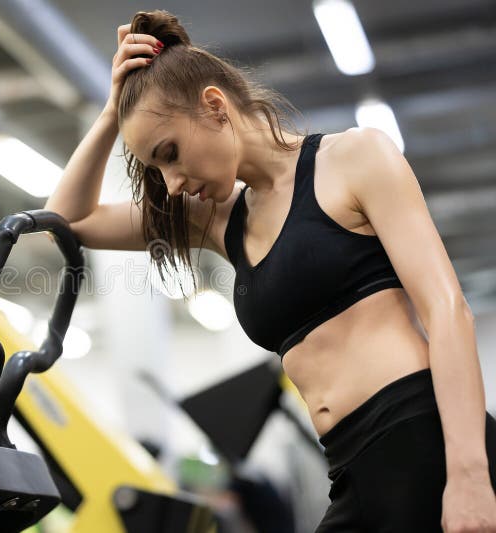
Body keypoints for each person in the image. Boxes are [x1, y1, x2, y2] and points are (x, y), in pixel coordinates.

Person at [43, 9, 496, 532]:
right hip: (349, 468)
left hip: (422, 441)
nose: (168, 183)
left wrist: (469, 474)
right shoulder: (215, 222)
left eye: (170, 153)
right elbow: (66, 221)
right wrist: (110, 111)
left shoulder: (352, 158)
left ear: (215, 107)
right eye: (156, 168)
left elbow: (447, 310)